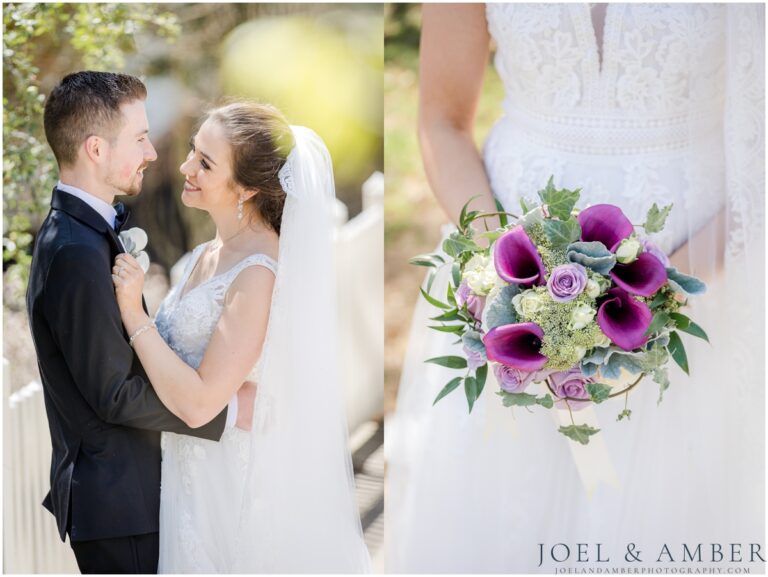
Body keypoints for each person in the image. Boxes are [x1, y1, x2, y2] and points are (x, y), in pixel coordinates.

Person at [386, 4, 764, 572]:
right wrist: (506, 266)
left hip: (703, 268)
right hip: (512, 275)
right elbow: (441, 119)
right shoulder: (508, 271)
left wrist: (666, 293)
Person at [112, 102, 371, 572]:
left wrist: (133, 314)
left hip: (232, 485)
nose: (186, 167)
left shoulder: (258, 274)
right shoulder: (202, 255)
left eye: (206, 163)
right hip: (187, 474)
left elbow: (198, 403)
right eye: (194, 151)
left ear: (248, 188)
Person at [26, 71, 254, 574]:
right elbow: (113, 394)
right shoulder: (73, 250)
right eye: (139, 138)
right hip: (120, 506)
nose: (153, 153)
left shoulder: (84, 234)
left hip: (133, 498)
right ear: (95, 150)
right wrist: (227, 413)